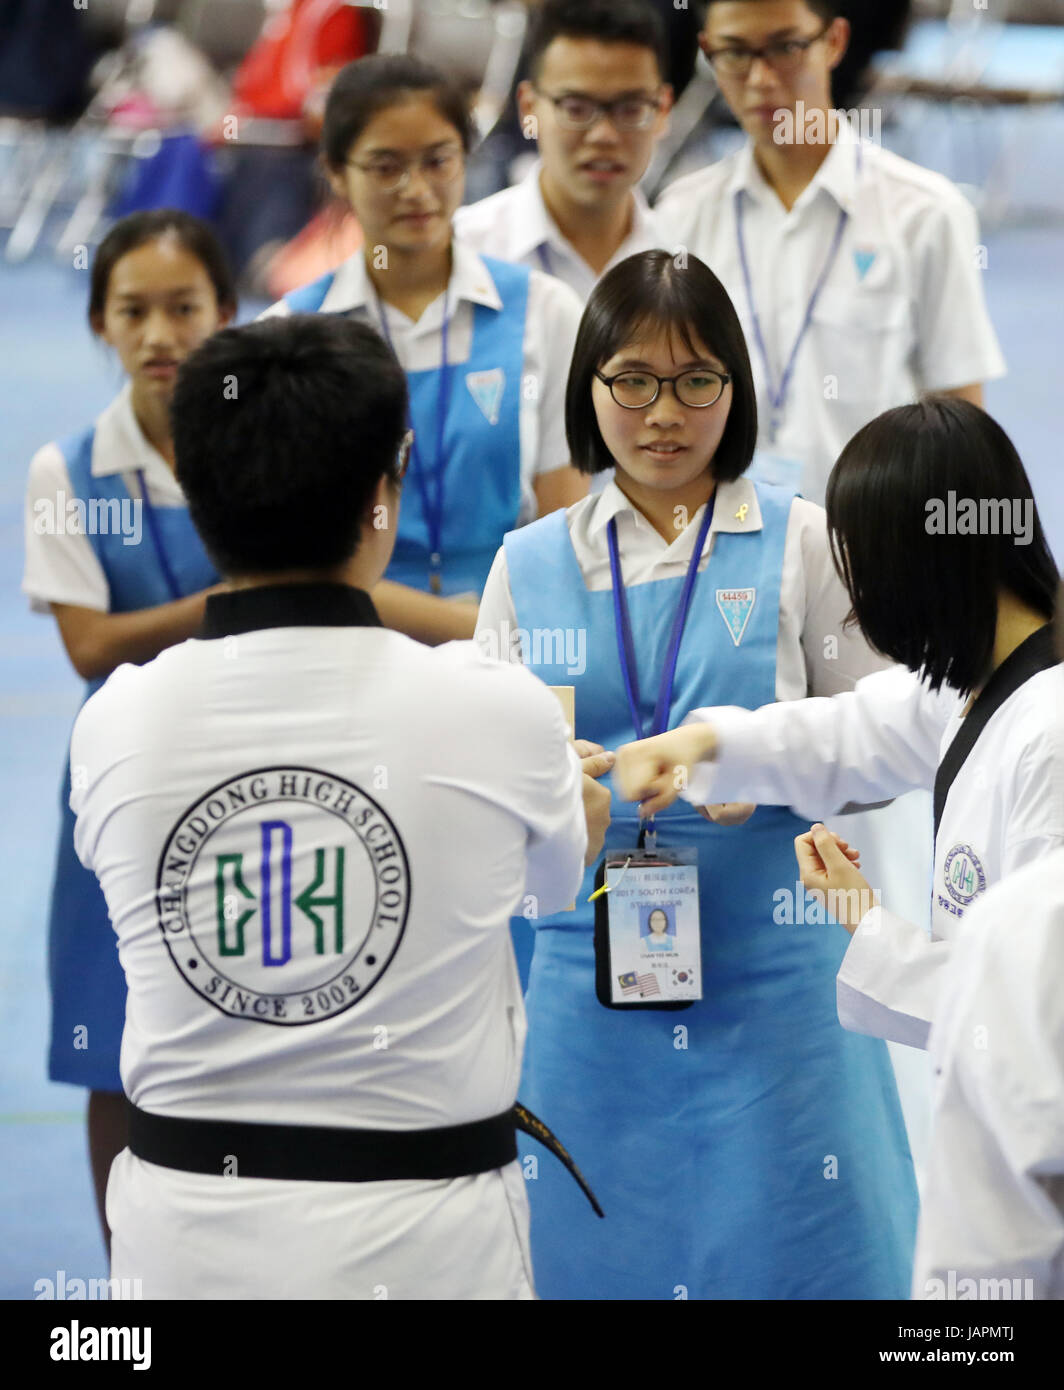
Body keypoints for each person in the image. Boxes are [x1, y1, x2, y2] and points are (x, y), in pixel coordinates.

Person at [69, 312, 611, 1300]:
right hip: (426, 1242)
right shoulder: (494, 706)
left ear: (194, 492)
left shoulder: (116, 723)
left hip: (183, 1239)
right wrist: (579, 806)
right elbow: (552, 882)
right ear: (384, 496)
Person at [475, 248, 918, 1300]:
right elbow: (486, 773)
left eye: (694, 381)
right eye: (630, 379)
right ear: (588, 388)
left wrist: (776, 772)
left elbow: (879, 745)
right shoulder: (527, 562)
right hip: (586, 978)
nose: (661, 411)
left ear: (735, 390)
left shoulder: (803, 540)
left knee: (804, 1236)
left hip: (781, 970)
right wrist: (557, 779)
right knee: (592, 1240)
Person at [615, 399, 1063, 1051]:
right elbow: (851, 732)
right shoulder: (984, 682)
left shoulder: (1047, 738)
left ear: (920, 568)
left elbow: (1030, 1016)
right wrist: (704, 745)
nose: (857, 609)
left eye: (865, 573)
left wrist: (864, 917)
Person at [21, 210, 237, 1251]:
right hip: (117, 790)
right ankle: (132, 1289)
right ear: (101, 325)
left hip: (251, 772)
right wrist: (236, 601)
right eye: (133, 311)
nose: (160, 333)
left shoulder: (263, 442)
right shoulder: (65, 469)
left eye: (183, 307)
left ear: (225, 314)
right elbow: (89, 644)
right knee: (112, 1043)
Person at [263, 54, 587, 641]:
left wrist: (513, 639)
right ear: (336, 171)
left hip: (515, 646)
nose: (416, 190)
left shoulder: (547, 311)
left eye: (438, 161)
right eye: (385, 167)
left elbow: (561, 534)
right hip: (353, 643)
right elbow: (301, 564)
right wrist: (480, 631)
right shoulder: (289, 335)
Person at [654, 0, 1005, 505]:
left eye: (785, 47)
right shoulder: (681, 217)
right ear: (707, 52)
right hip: (720, 547)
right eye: (733, 53)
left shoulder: (924, 214)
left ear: (834, 42)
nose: (760, 78)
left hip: (874, 547)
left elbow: (962, 423)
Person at [455, 0, 673, 304]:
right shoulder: (460, 254)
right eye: (576, 108)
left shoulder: (686, 256)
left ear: (662, 110)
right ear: (529, 109)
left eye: (631, 108)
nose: (604, 135)